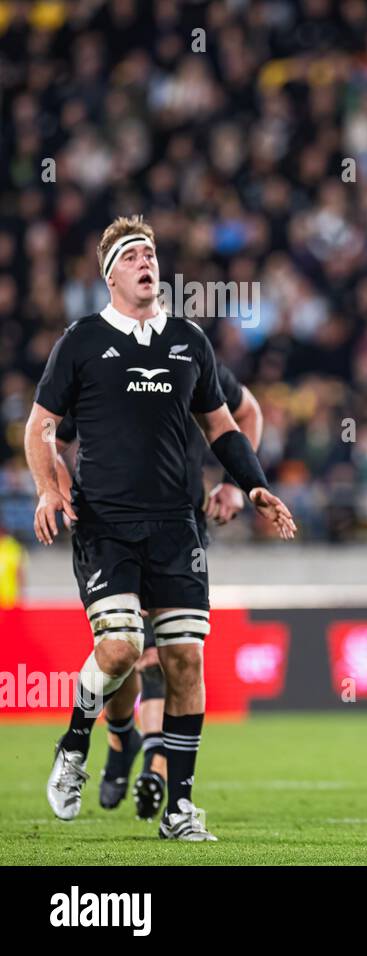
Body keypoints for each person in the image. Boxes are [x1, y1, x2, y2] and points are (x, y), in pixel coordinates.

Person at [26, 215, 296, 840]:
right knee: (120, 649)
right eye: (132, 256)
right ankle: (73, 744)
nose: (146, 262)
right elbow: (40, 428)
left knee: (183, 661)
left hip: (179, 525)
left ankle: (179, 809)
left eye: (150, 252)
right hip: (106, 523)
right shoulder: (81, 342)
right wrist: (48, 485)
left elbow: (224, 426)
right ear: (110, 274)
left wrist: (251, 482)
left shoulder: (189, 341)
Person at [54, 359, 262, 818]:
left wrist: (234, 485)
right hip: (113, 529)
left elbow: (246, 414)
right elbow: (52, 435)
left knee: (166, 658)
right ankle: (120, 740)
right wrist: (61, 488)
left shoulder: (191, 354)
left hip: (180, 526)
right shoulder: (95, 356)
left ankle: (158, 772)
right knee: (126, 652)